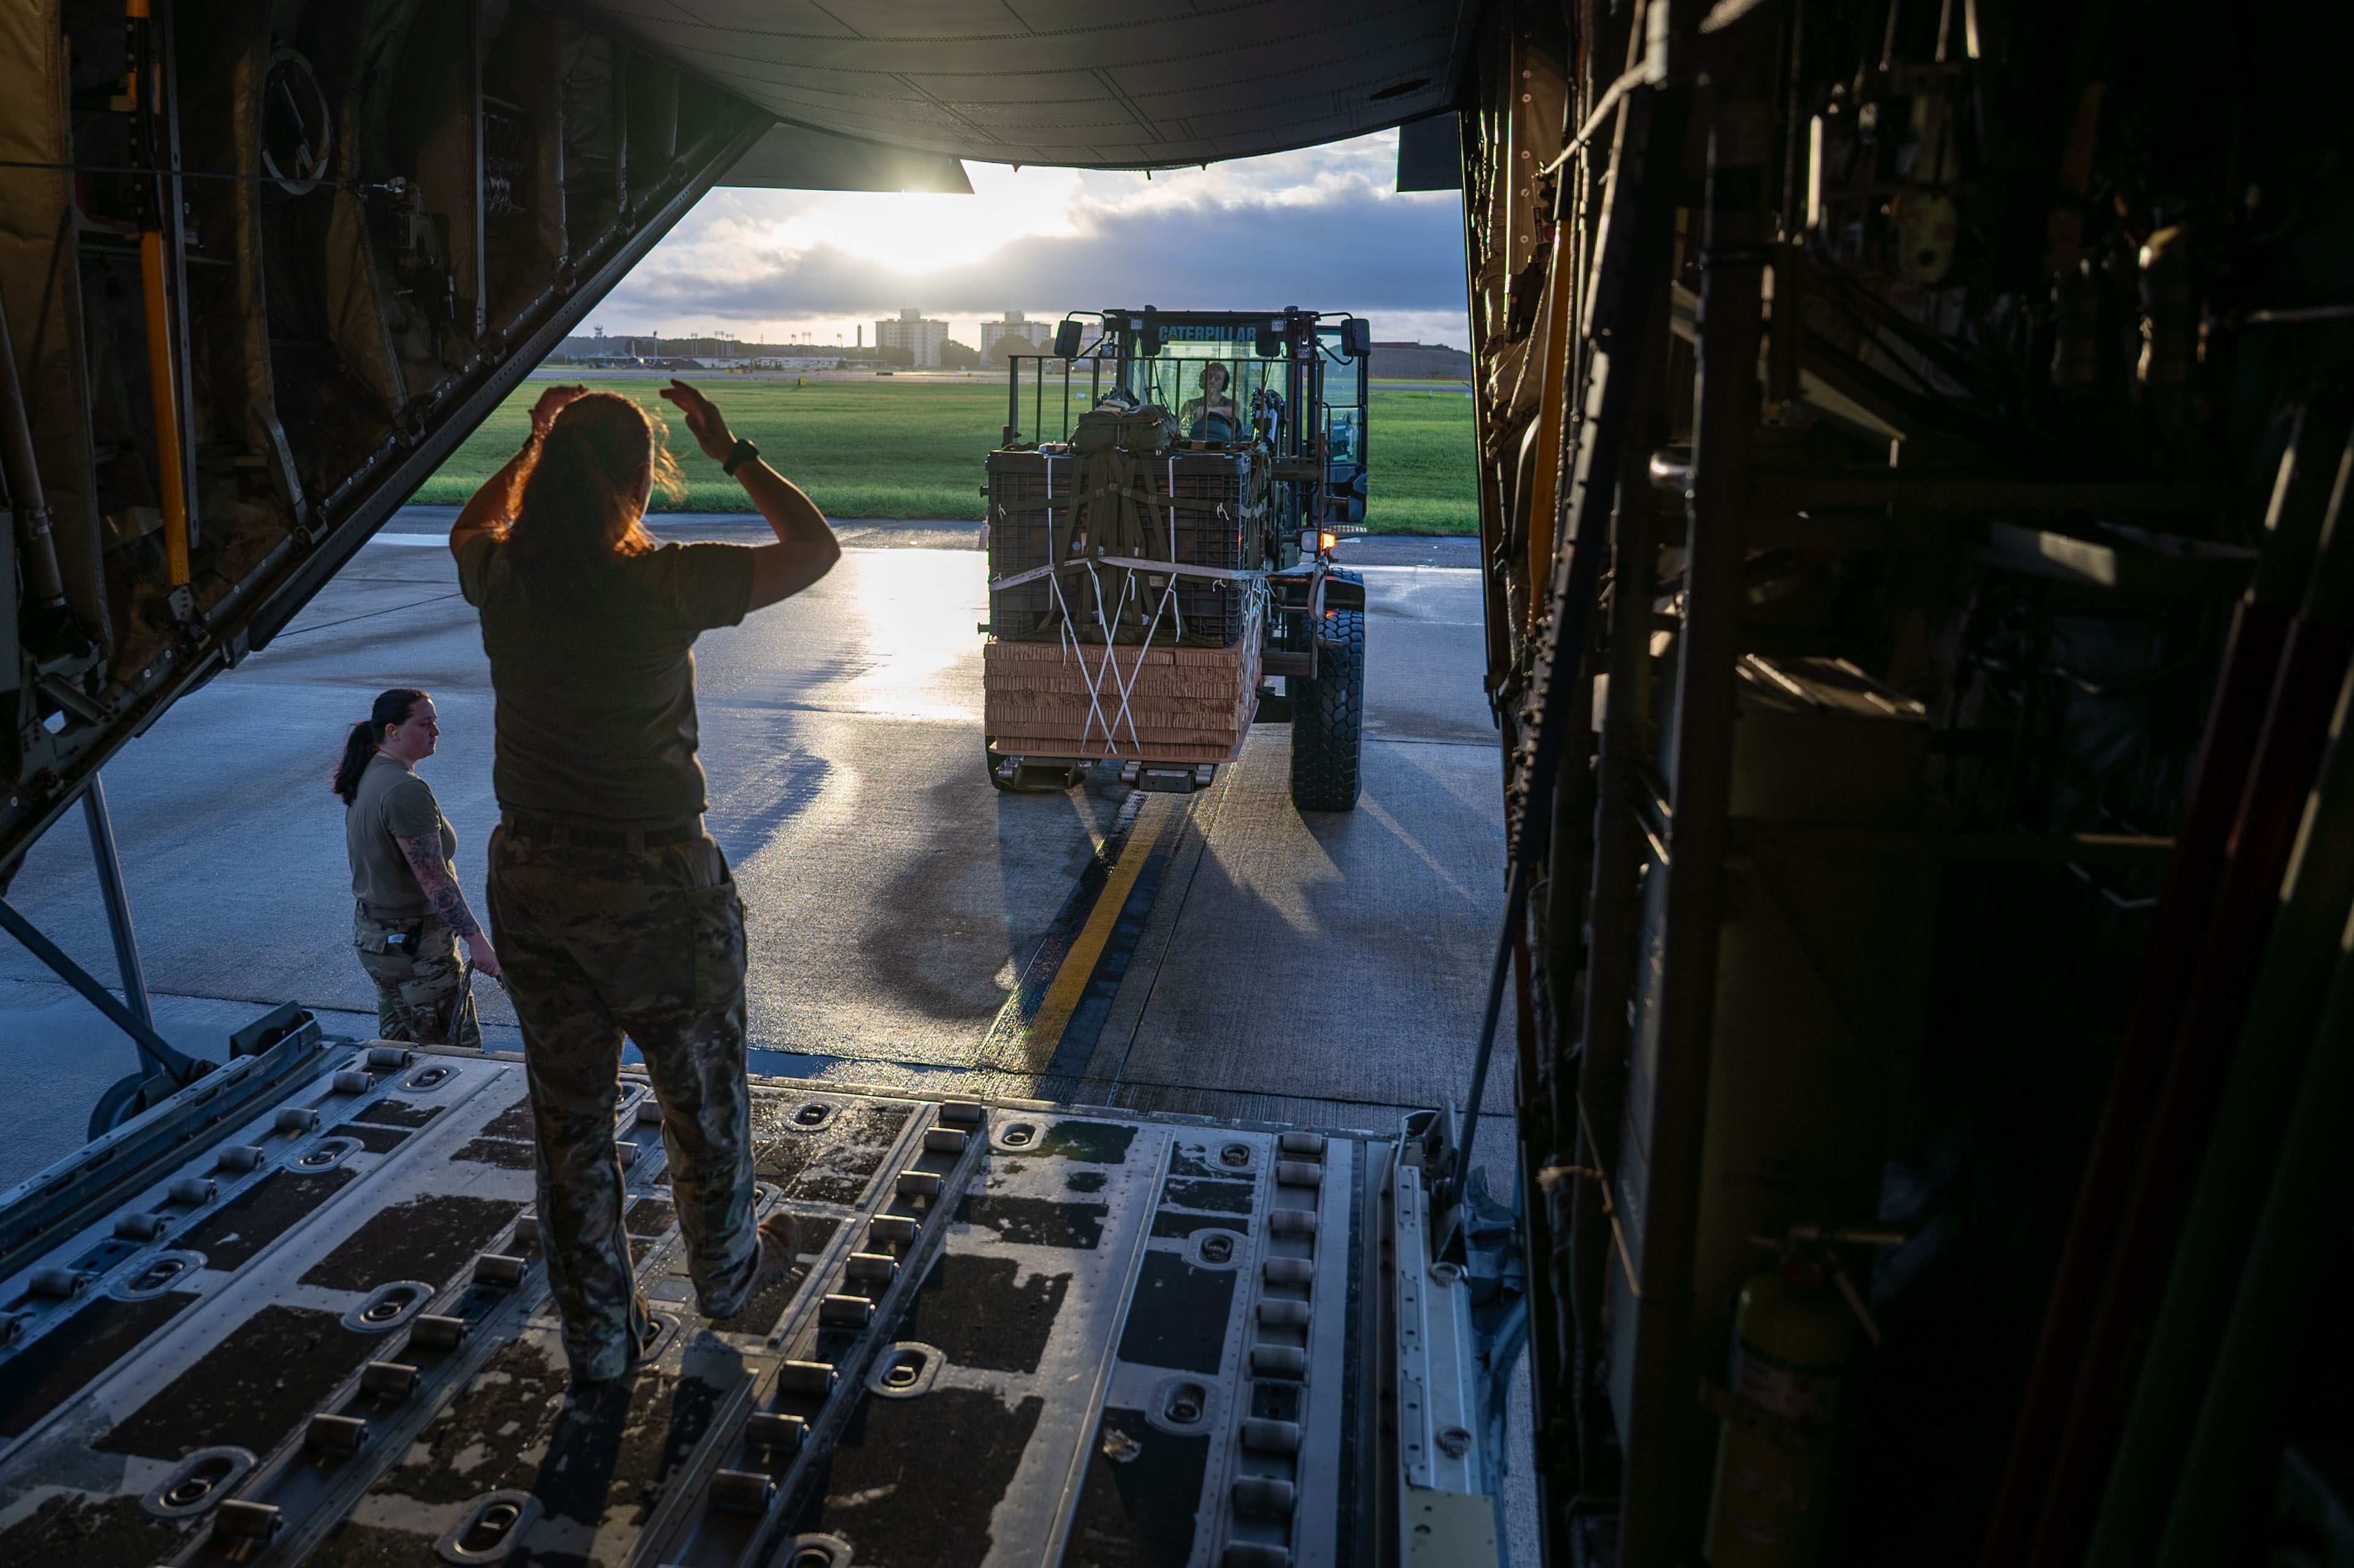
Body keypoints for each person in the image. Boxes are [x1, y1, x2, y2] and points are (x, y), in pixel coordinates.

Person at [449, 380, 840, 1384]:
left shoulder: (500, 575)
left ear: (548, 477)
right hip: (654, 881)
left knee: (568, 1119)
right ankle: (728, 1277)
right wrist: (734, 451)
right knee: (700, 1098)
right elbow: (814, 548)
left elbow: (471, 523)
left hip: (529, 877)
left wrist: (532, 442)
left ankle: (599, 1336)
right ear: (636, 480)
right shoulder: (666, 582)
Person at [332, 687, 500, 1047]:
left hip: (384, 942)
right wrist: (479, 944)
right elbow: (435, 880)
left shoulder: (371, 774)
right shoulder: (404, 790)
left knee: (402, 1048)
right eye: (424, 724)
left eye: (435, 723)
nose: (435, 732)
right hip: (415, 948)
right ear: (392, 731)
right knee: (451, 1056)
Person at [1182, 361, 1240, 441]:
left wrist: (1209, 410)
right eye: (1209, 377)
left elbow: (1231, 411)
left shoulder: (1232, 404)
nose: (1213, 381)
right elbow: (1182, 427)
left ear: (1225, 383)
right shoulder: (1190, 404)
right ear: (1203, 380)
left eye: (1217, 378)